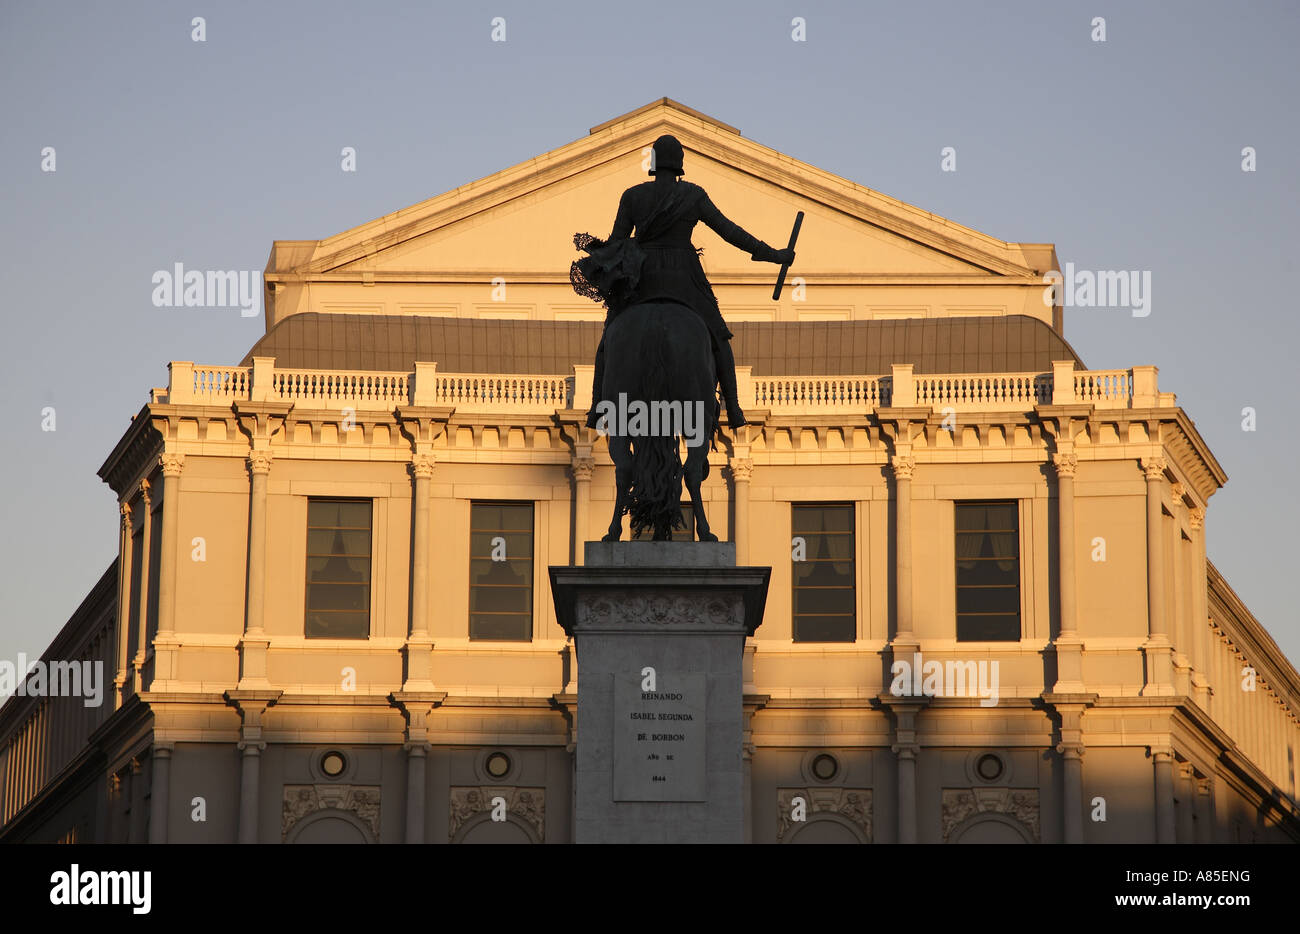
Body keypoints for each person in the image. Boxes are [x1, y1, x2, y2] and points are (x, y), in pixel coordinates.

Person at [571, 134, 795, 429]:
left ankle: (598, 405)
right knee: (718, 337)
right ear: (679, 165)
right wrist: (771, 254)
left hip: (643, 278)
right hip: (684, 276)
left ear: (653, 164)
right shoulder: (693, 195)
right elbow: (730, 232)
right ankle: (735, 407)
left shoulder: (632, 196)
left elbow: (616, 244)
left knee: (609, 338)